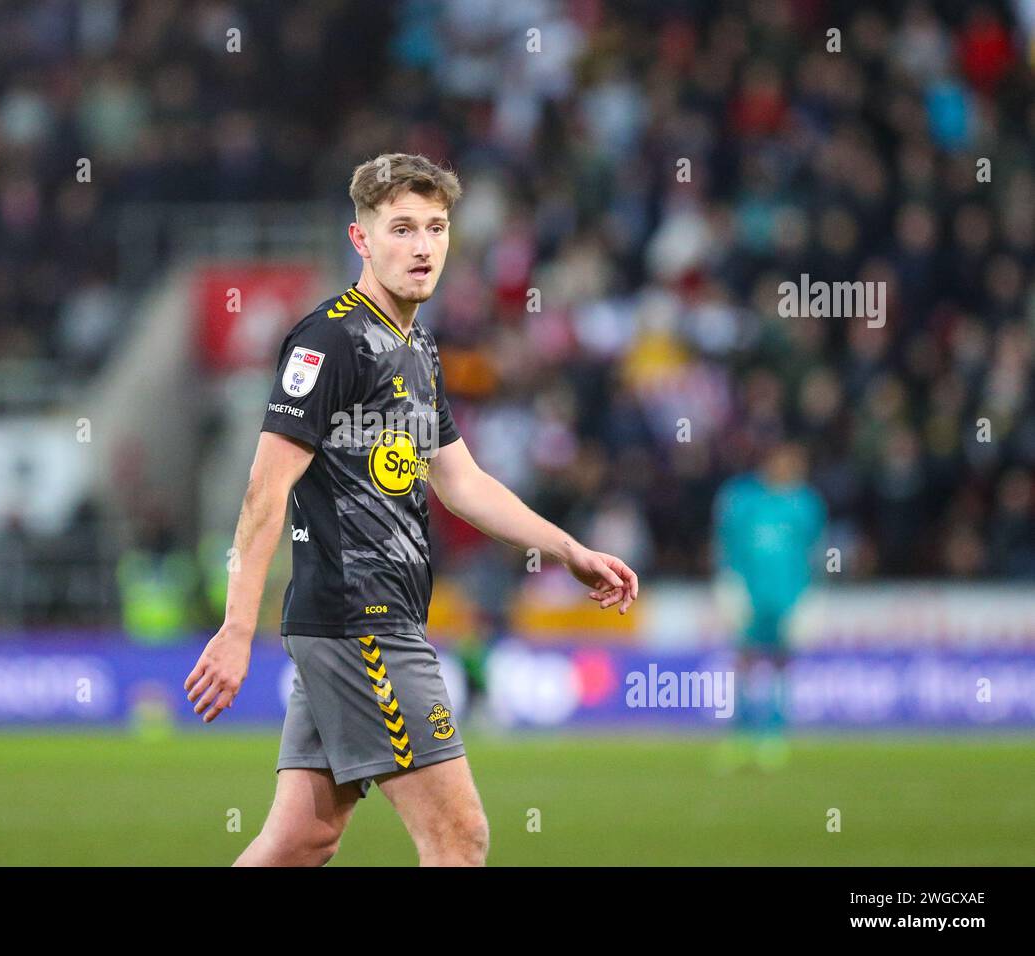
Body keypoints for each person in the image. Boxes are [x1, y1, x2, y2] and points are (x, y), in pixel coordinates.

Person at [184, 153, 639, 866]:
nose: (423, 246)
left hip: (359, 625)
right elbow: (262, 492)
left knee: (300, 840)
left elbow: (462, 482)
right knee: (459, 838)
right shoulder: (329, 341)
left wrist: (568, 549)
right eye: (401, 228)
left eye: (436, 227)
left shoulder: (419, 347)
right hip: (361, 623)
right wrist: (238, 628)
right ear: (360, 240)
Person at [712, 440, 825, 771]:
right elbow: (726, 545)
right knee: (745, 661)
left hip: (789, 596)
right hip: (750, 594)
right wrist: (728, 584)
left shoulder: (806, 503)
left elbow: (816, 553)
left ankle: (774, 735)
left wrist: (812, 596)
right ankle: (741, 734)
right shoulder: (743, 499)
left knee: (780, 663)